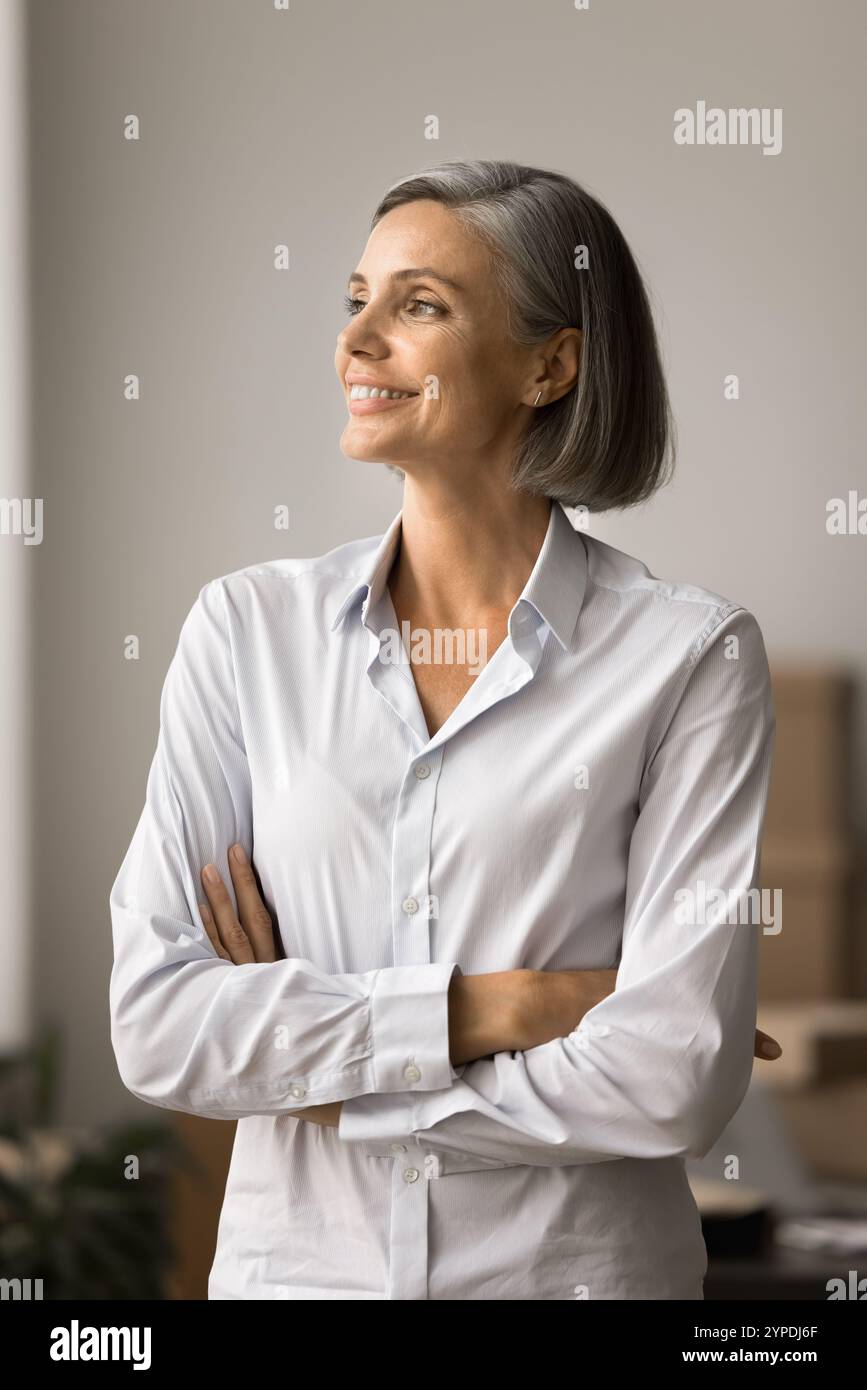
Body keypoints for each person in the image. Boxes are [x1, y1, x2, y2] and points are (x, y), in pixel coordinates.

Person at [109, 159, 780, 1300]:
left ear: (550, 363)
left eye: (418, 305)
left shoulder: (690, 657)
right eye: (355, 298)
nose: (358, 341)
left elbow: (671, 1076)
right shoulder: (246, 632)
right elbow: (162, 1026)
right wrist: (505, 1005)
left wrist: (322, 1076)